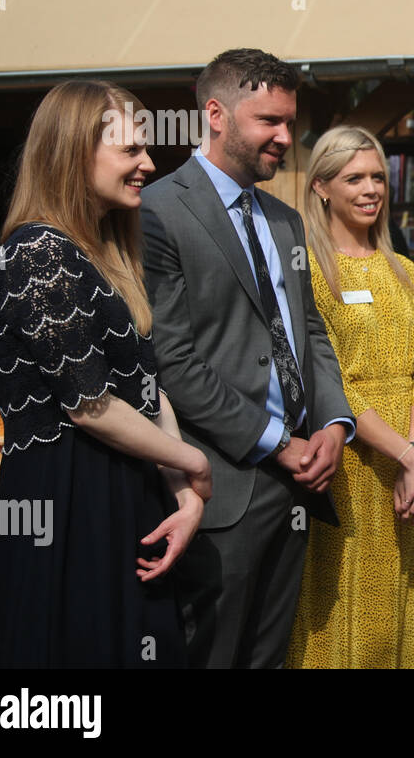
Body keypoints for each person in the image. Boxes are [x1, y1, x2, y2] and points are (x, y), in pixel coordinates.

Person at [0, 80, 211, 668]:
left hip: (127, 493)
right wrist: (193, 462)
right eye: (131, 150)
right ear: (72, 152)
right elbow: (89, 404)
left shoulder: (107, 251)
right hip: (65, 503)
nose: (148, 162)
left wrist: (182, 496)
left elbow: (146, 385)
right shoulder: (36, 252)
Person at [141, 48, 355, 669]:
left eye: (289, 123)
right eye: (268, 122)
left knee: (268, 656)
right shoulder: (157, 211)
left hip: (298, 479)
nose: (285, 138)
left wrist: (335, 424)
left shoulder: (285, 221)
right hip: (219, 484)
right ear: (215, 113)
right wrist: (275, 442)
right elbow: (172, 360)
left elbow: (308, 332)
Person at [286, 125, 414, 669]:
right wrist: (405, 455)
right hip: (347, 462)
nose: (371, 188)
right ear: (323, 187)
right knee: (339, 606)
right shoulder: (308, 271)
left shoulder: (407, 273)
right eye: (354, 177)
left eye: (377, 176)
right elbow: (332, 384)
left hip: (407, 470)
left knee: (400, 600)